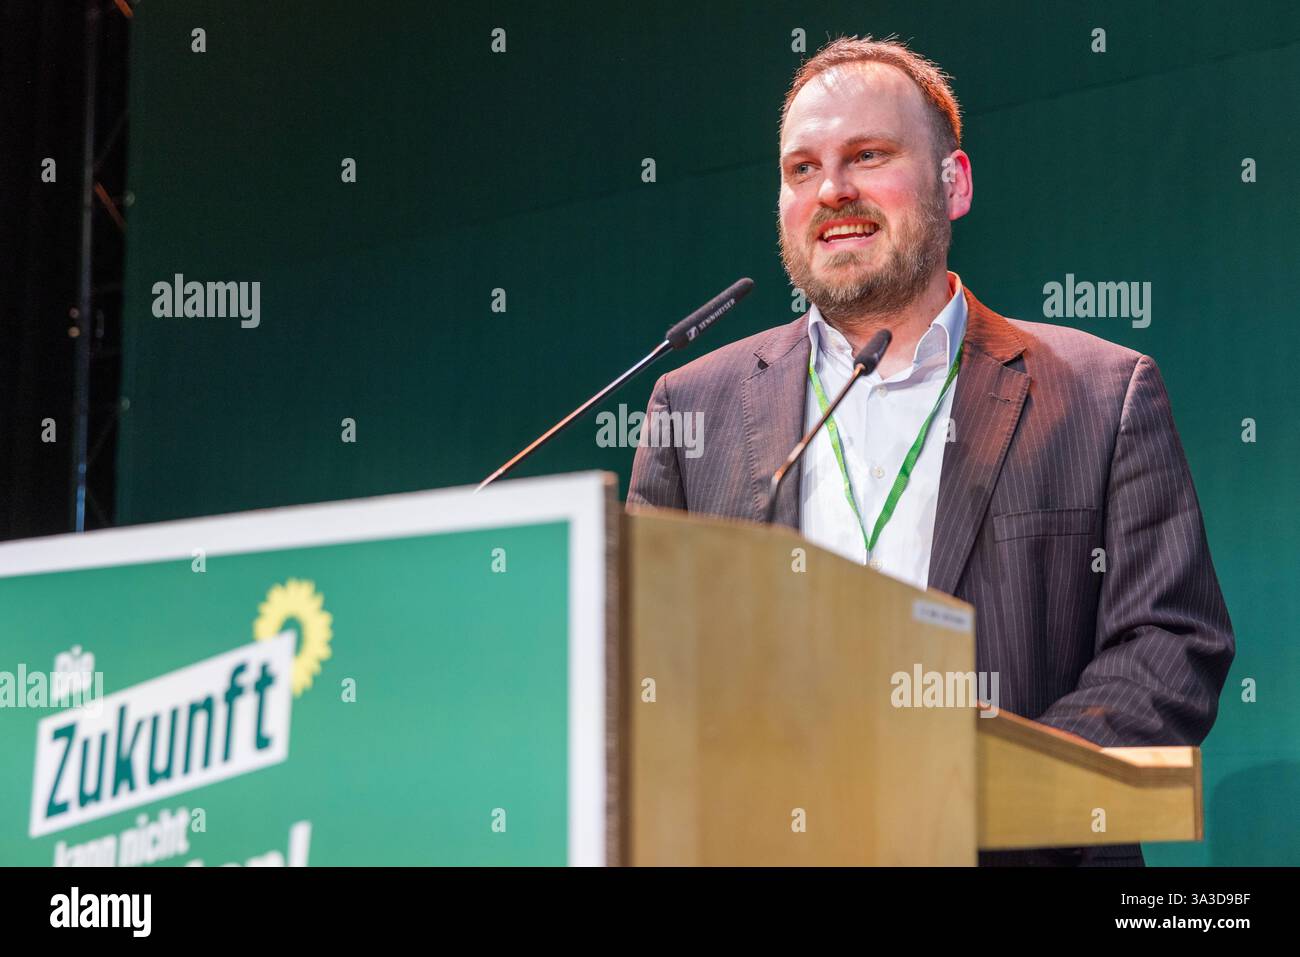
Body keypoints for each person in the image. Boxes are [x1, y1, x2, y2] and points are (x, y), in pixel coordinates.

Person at [627, 35, 1235, 866]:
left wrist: (990, 798)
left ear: (955, 184)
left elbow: (1171, 643)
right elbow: (641, 662)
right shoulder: (692, 405)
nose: (832, 189)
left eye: (867, 155)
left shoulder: (1102, 393)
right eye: (801, 168)